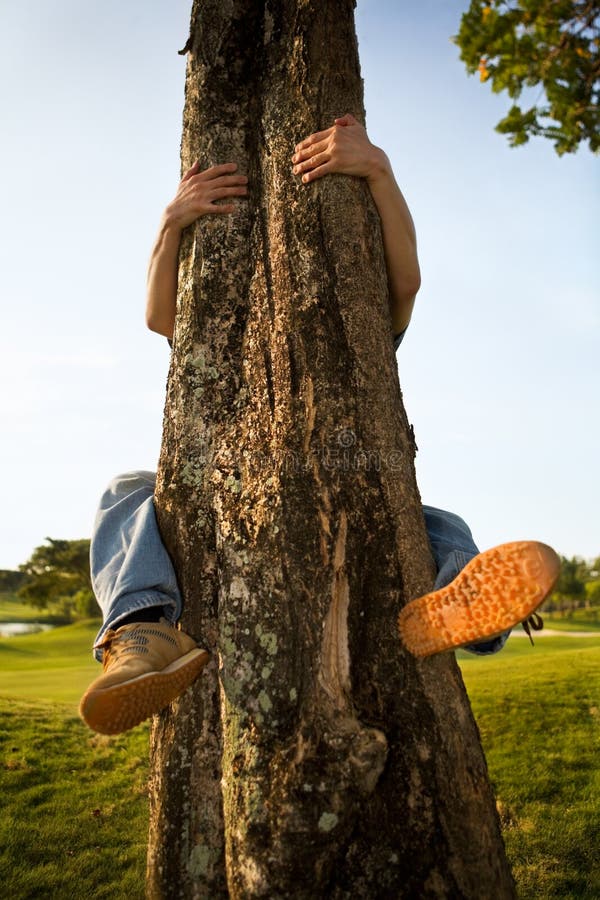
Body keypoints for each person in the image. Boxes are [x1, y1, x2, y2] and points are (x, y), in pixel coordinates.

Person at [79, 115, 559, 736]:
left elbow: (406, 277)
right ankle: (141, 632)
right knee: (126, 490)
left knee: (438, 523)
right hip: (233, 479)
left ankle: (458, 605)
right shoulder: (220, 340)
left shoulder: (358, 329)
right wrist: (172, 221)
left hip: (343, 472)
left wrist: (379, 170)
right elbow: (158, 315)